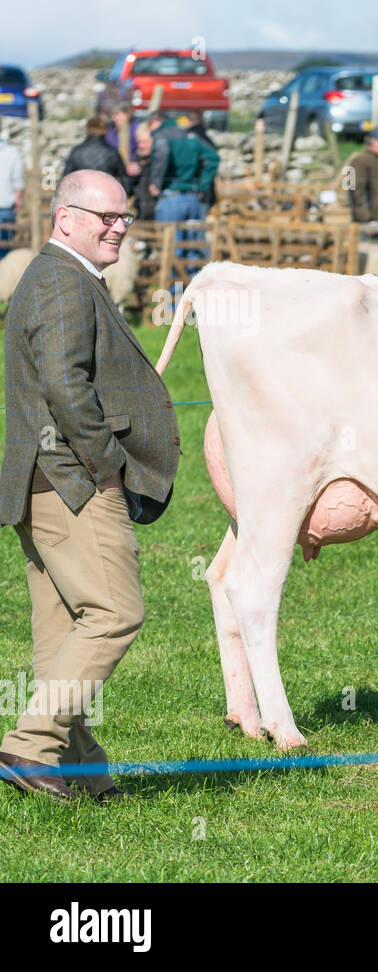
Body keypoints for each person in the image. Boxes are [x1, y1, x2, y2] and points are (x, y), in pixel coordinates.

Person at [0, 170, 180, 803]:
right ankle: (30, 745)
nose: (118, 227)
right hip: (71, 482)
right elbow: (65, 386)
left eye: (124, 218)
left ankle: (80, 776)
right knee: (114, 613)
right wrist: (107, 464)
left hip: (44, 484)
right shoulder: (60, 280)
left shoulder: (60, 276)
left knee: (63, 630)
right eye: (104, 216)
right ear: (64, 218)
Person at [150, 115, 219, 271]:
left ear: (156, 123)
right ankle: (193, 290)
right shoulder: (191, 137)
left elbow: (163, 153)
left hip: (171, 196)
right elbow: (213, 158)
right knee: (192, 247)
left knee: (172, 249)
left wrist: (157, 182)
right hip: (192, 198)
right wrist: (201, 185)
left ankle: (176, 292)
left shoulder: (163, 135)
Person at [63, 115, 128, 187]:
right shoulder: (112, 152)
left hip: (81, 193)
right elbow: (125, 179)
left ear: (87, 129)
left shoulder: (76, 151)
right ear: (106, 131)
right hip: (105, 193)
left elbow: (65, 179)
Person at [0, 130, 22, 257]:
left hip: (6, 208)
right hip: (7, 208)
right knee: (4, 252)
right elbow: (18, 184)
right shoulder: (13, 152)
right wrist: (18, 203)